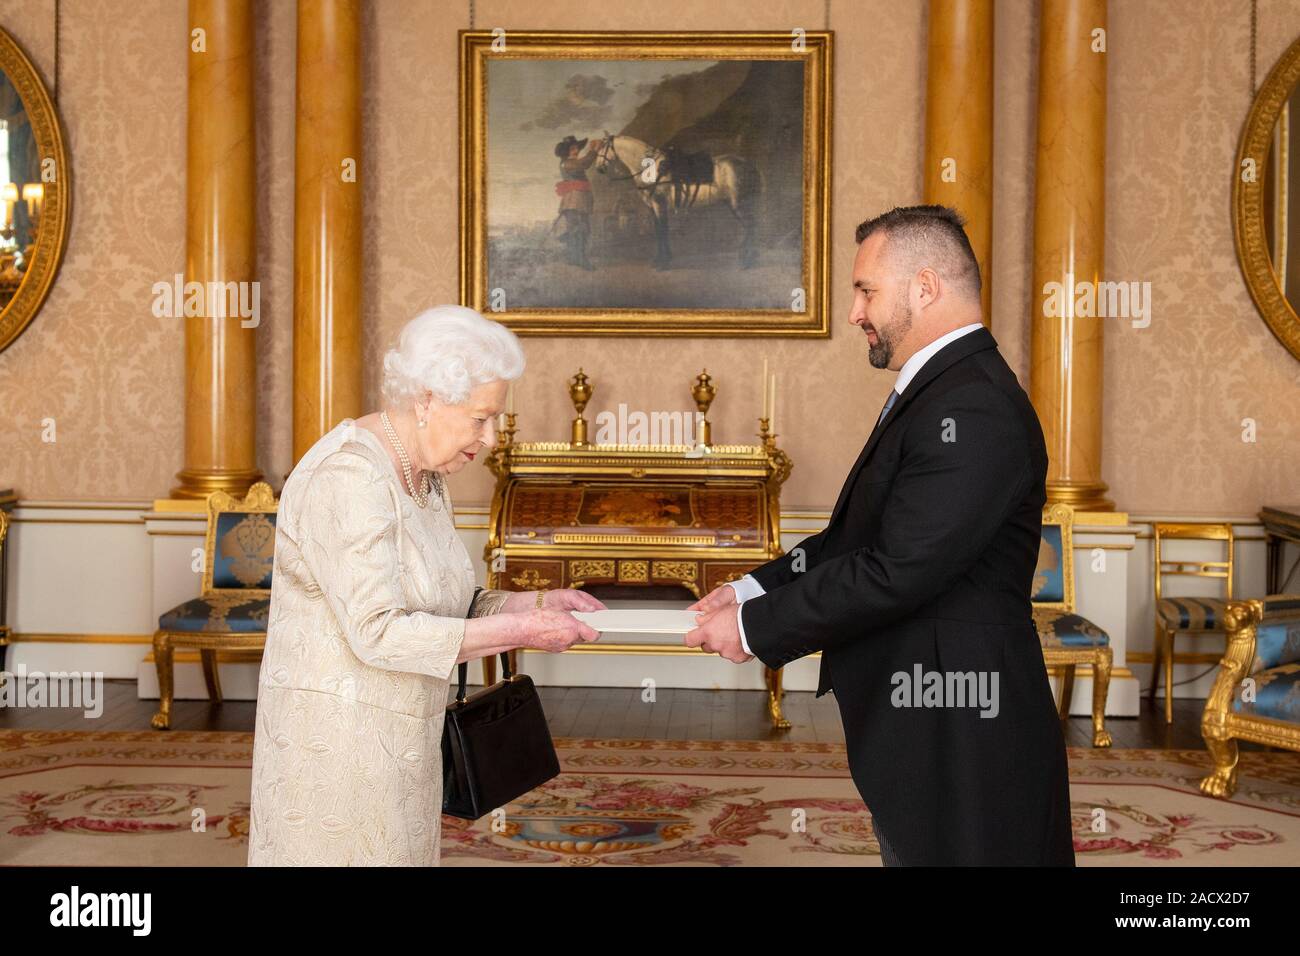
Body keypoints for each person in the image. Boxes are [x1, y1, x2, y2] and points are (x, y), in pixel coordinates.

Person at [685, 205, 1075, 866]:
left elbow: (899, 568)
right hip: (931, 712)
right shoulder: (938, 392)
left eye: (866, 290)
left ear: (925, 287)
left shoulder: (971, 404)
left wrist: (756, 628)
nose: (854, 312)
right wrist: (749, 590)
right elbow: (852, 540)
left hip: (964, 723)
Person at [248, 304, 603, 866]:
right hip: (339, 752)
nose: (489, 439)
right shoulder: (349, 477)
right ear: (427, 400)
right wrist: (522, 630)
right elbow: (380, 632)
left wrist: (534, 602)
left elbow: (450, 603)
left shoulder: (424, 475)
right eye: (480, 418)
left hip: (405, 742)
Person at [554, 134, 604, 270]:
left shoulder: (570, 161)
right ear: (566, 152)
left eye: (576, 148)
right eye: (572, 149)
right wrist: (595, 149)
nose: (575, 151)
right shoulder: (568, 163)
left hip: (579, 199)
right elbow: (585, 163)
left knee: (576, 229)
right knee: (581, 229)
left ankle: (573, 258)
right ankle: (581, 260)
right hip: (575, 200)